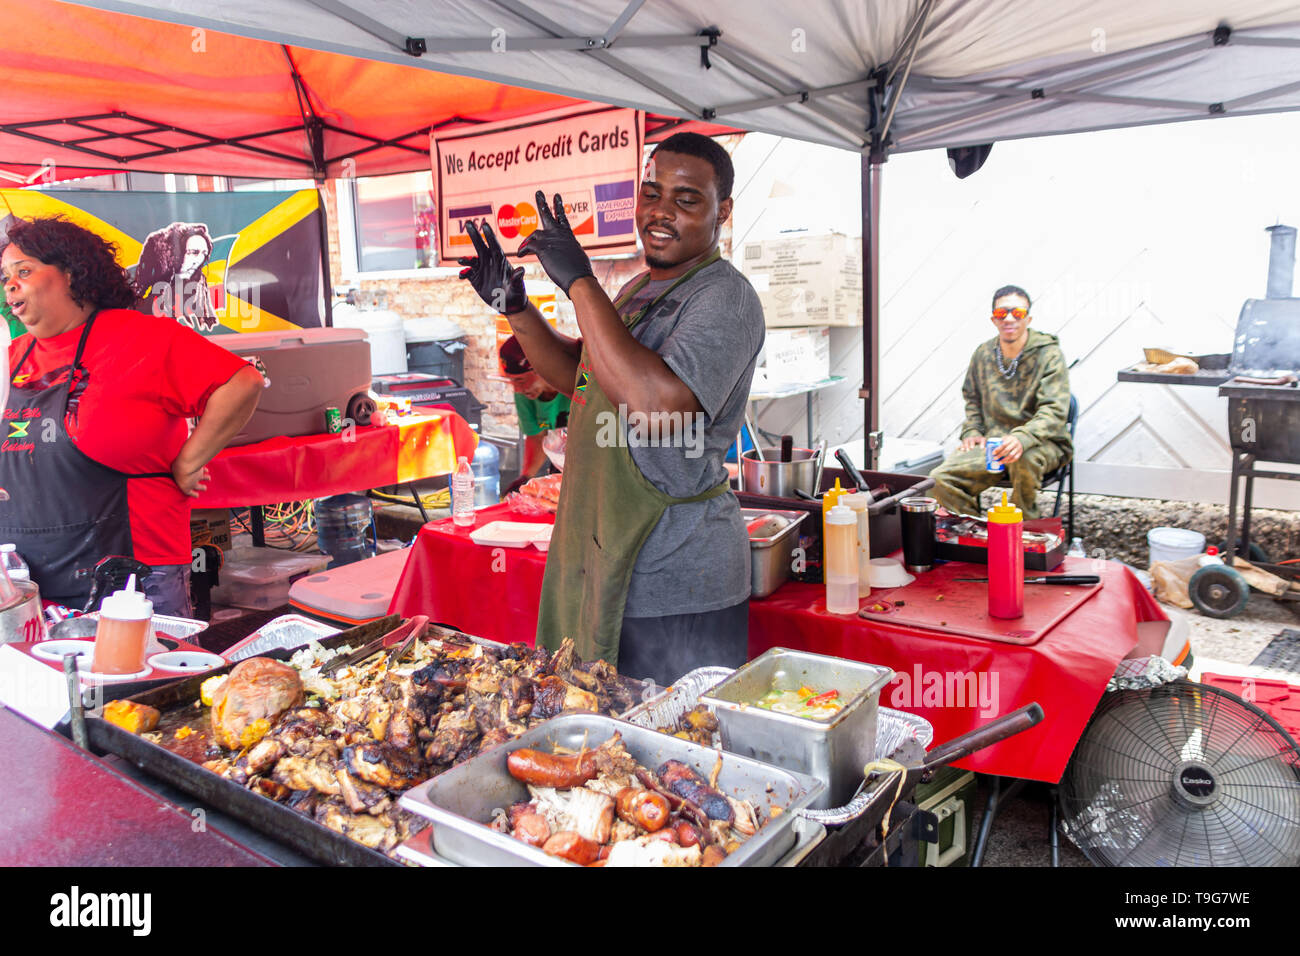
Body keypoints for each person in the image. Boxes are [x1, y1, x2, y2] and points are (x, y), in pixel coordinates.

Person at [458, 132, 765, 685]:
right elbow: (581, 377)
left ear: (724, 211)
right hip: (607, 563)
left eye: (687, 198)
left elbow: (655, 407)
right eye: (651, 193)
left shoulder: (725, 298)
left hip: (676, 575)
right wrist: (518, 308)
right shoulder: (637, 291)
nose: (662, 211)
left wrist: (579, 281)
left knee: (673, 746)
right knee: (603, 741)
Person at [1, 217, 263, 615]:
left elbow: (242, 383)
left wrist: (190, 461)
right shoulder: (11, 355)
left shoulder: (142, 338)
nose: (10, 284)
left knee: (146, 678)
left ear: (71, 275)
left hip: (136, 576)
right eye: (5, 276)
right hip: (28, 577)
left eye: (25, 271)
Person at [929, 284, 1072, 519]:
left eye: (1017, 313)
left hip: (1043, 442)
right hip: (994, 444)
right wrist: (973, 430)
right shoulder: (983, 353)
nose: (1008, 318)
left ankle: (1022, 532)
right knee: (939, 479)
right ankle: (976, 530)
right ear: (993, 319)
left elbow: (1054, 410)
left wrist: (1021, 438)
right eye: (1001, 313)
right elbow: (972, 398)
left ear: (1028, 318)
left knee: (1023, 458)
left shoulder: (1049, 354)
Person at [499, 334, 569, 491]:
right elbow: (537, 436)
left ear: (541, 368)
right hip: (564, 464)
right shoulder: (525, 394)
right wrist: (526, 477)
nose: (517, 389)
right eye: (512, 381)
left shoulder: (582, 379)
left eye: (521, 380)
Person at [133, 221, 220, 332]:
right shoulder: (146, 304)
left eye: (204, 253)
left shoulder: (200, 287)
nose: (199, 260)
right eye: (193, 252)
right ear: (172, 255)